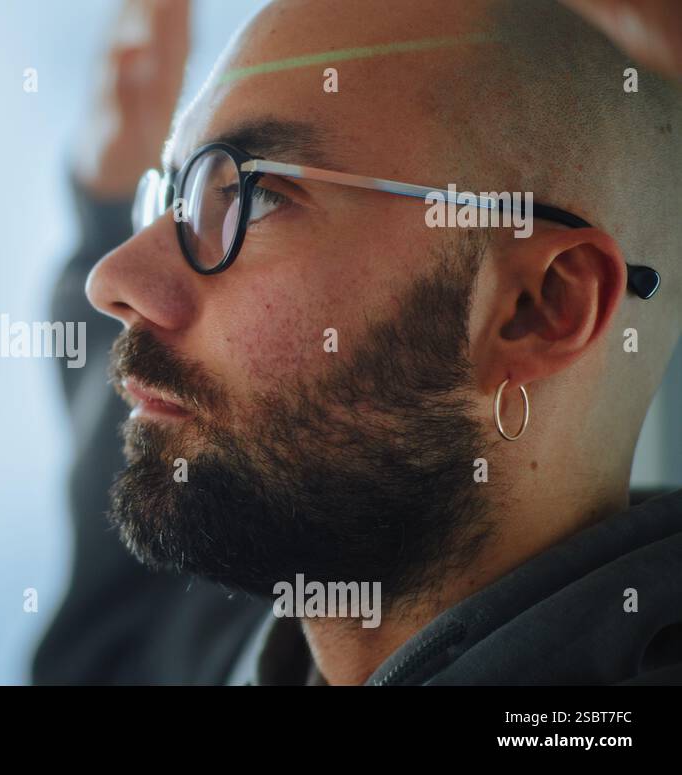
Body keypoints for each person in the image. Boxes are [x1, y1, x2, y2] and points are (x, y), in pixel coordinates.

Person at [33, 0, 682, 685]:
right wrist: (105, 202)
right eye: (175, 194)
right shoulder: (245, 641)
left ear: (537, 310)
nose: (112, 280)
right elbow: (114, 653)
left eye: (256, 197)